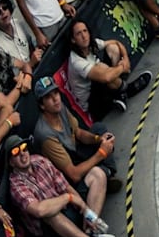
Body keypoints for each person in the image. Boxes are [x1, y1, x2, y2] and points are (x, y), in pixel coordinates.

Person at [2, 132, 128, 237]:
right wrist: (68, 198)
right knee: (50, 213)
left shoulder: (39, 160)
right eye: (16, 152)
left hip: (68, 210)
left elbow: (66, 187)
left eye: (24, 148)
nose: (22, 154)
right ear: (11, 162)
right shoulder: (15, 184)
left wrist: (86, 211)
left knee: (97, 174)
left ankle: (91, 231)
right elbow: (39, 210)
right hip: (53, 231)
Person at [31, 75, 120, 204]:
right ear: (42, 105)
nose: (55, 99)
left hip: (75, 151)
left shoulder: (59, 108)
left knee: (99, 129)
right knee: (97, 167)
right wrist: (101, 153)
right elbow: (73, 174)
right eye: (48, 97)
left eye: (55, 93)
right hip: (68, 178)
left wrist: (98, 139)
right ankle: (103, 176)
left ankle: (107, 173)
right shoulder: (45, 135)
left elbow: (78, 133)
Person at [66, 21, 150, 118]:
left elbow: (116, 42)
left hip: (101, 86)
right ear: (73, 40)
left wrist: (126, 59)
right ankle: (127, 90)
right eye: (78, 34)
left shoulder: (92, 43)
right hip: (92, 103)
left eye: (85, 31)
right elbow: (106, 77)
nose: (84, 36)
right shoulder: (76, 61)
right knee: (101, 68)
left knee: (113, 48)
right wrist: (123, 67)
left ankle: (118, 93)